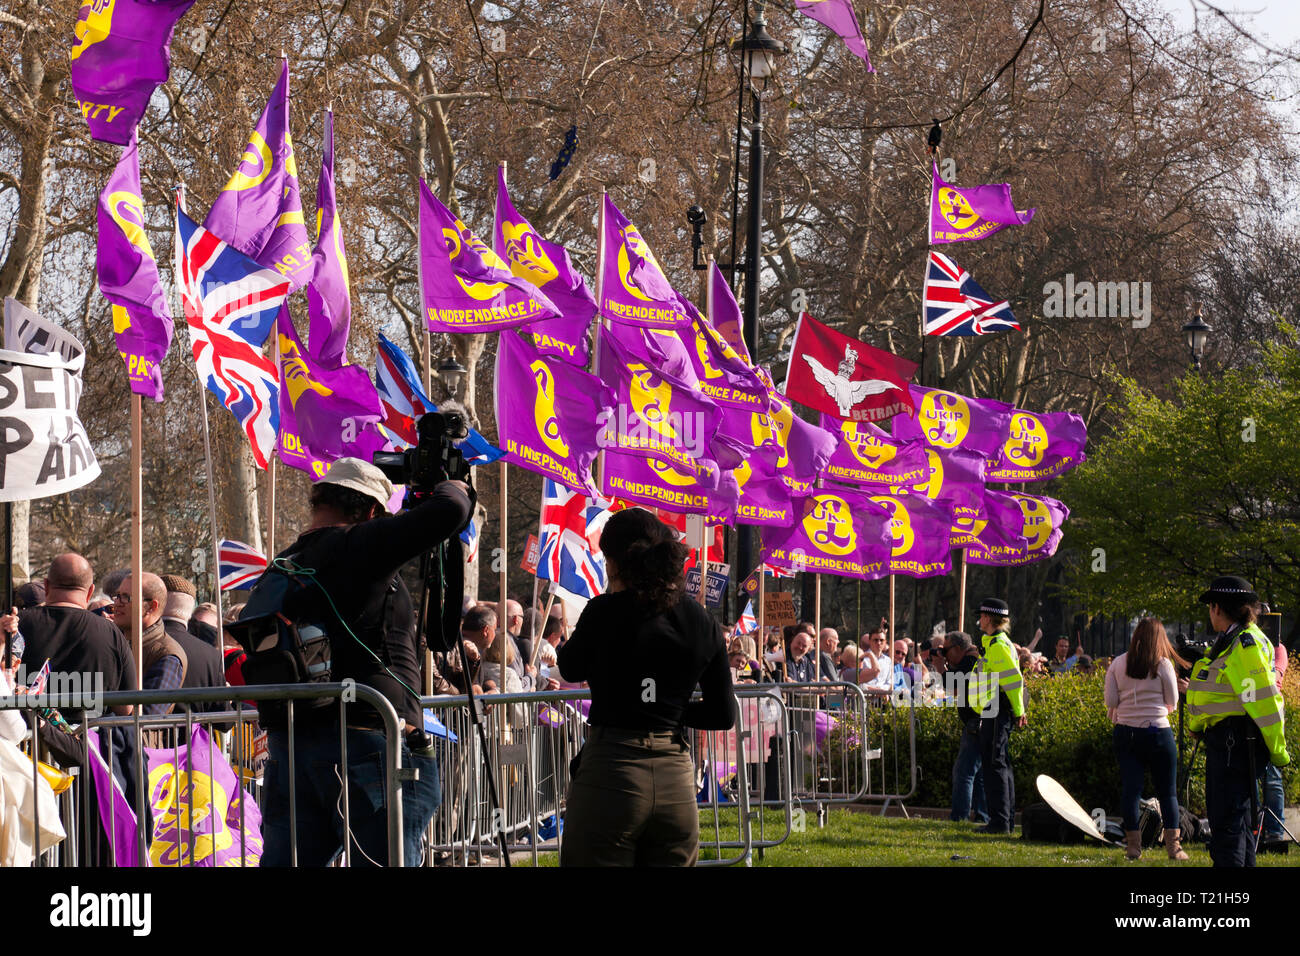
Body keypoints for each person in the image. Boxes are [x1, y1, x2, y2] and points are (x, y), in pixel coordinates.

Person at [257, 457, 472, 867]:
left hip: (295, 744)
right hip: (367, 742)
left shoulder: (284, 563)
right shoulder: (358, 544)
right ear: (371, 511)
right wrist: (455, 485)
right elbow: (450, 512)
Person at [557, 508, 736, 866]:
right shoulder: (701, 619)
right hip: (676, 777)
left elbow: (569, 666)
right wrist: (670, 708)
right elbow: (722, 713)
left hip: (612, 770)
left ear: (612, 563)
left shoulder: (604, 611)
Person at [1187, 576, 1290, 867]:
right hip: (1228, 742)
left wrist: (1278, 750)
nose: (1209, 612)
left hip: (1235, 744)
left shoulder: (1244, 644)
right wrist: (1198, 726)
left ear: (1218, 608)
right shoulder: (1231, 640)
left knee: (1228, 827)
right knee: (1238, 825)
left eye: (1210, 606)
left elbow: (1263, 701)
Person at [1104, 618, 1190, 860]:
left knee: (1131, 791)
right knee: (1168, 793)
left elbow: (1111, 702)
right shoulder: (1163, 665)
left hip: (1126, 732)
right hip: (1158, 733)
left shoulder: (1118, 663)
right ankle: (1174, 847)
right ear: (1159, 639)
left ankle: (1133, 846)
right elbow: (1172, 700)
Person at [972, 598, 1026, 834]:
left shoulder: (998, 646)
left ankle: (1000, 822)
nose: (979, 619)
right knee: (1000, 764)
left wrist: (1019, 711)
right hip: (995, 710)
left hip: (997, 710)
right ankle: (1004, 821)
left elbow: (1013, 681)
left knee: (995, 766)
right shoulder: (993, 643)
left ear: (989, 618)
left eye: (982, 615)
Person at [159, 574, 227, 715]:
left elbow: (99, 708)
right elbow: (224, 720)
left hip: (138, 734)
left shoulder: (136, 643)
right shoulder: (211, 655)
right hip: (190, 735)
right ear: (190, 611)